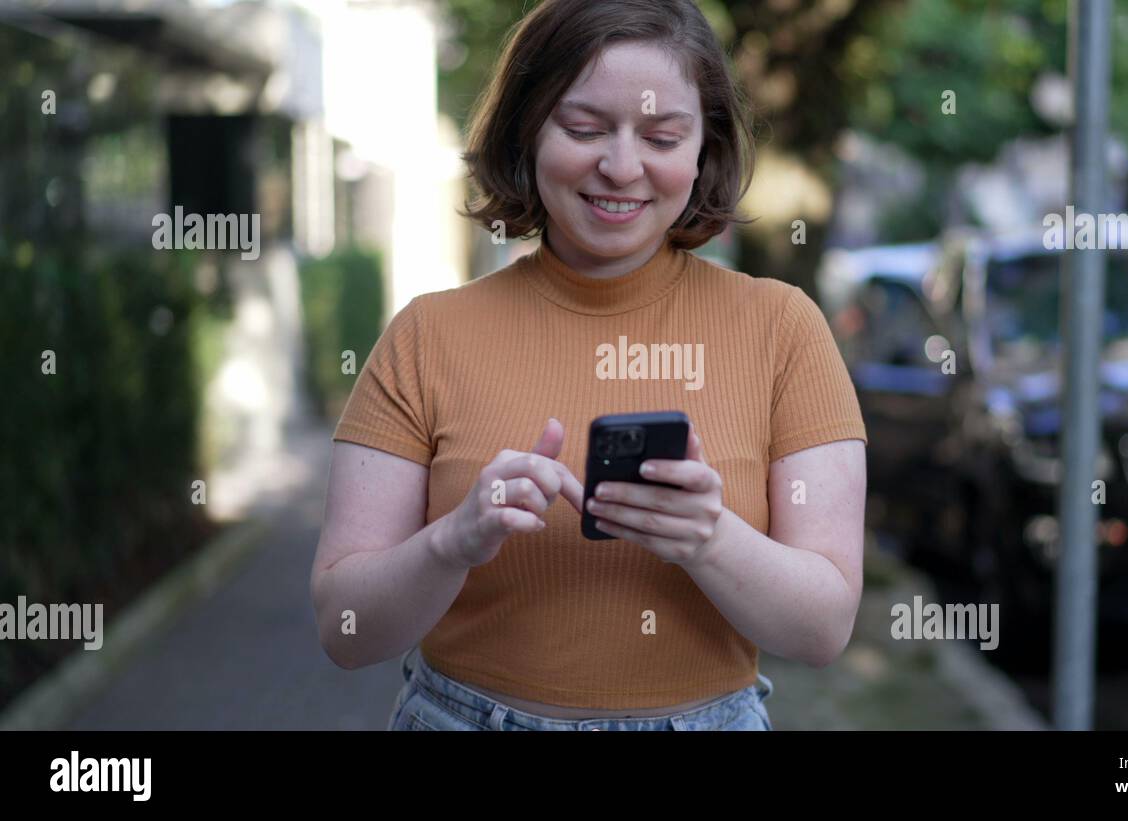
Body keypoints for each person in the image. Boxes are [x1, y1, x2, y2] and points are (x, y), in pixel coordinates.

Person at [310, 0, 868, 731]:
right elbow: (344, 631)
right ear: (526, 129)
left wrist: (709, 536)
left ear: (705, 148)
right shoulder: (426, 334)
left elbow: (822, 629)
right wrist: (455, 539)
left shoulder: (783, 328)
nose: (622, 165)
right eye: (584, 128)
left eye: (663, 136)